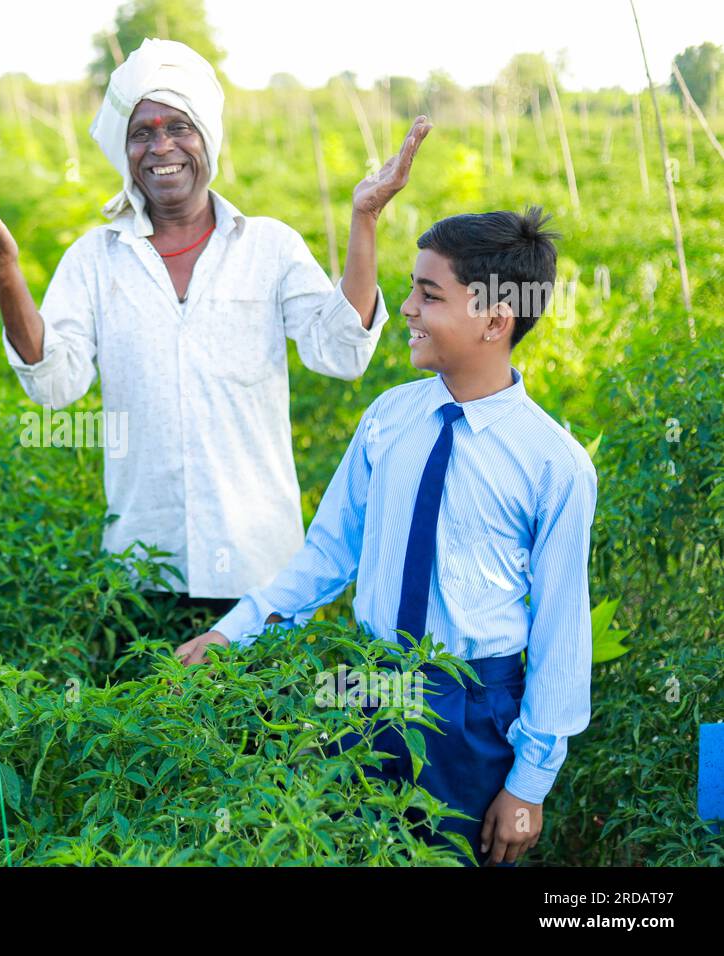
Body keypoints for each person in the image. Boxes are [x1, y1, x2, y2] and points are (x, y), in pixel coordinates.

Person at [0, 38, 430, 625]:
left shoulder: (268, 247)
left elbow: (342, 351)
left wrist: (365, 218)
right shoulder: (96, 258)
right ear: (125, 152)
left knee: (258, 717)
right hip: (144, 571)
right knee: (150, 715)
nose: (161, 146)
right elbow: (54, 385)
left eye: (178, 126)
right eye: (141, 132)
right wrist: (1, 261)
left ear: (207, 140)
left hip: (260, 571)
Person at [177, 207, 596, 867]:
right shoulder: (389, 419)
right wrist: (235, 630)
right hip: (366, 687)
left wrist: (529, 783)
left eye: (429, 295)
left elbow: (560, 632)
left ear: (495, 319)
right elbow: (327, 555)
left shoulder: (554, 463)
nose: (405, 309)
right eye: (412, 289)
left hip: (472, 712)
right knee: (351, 849)